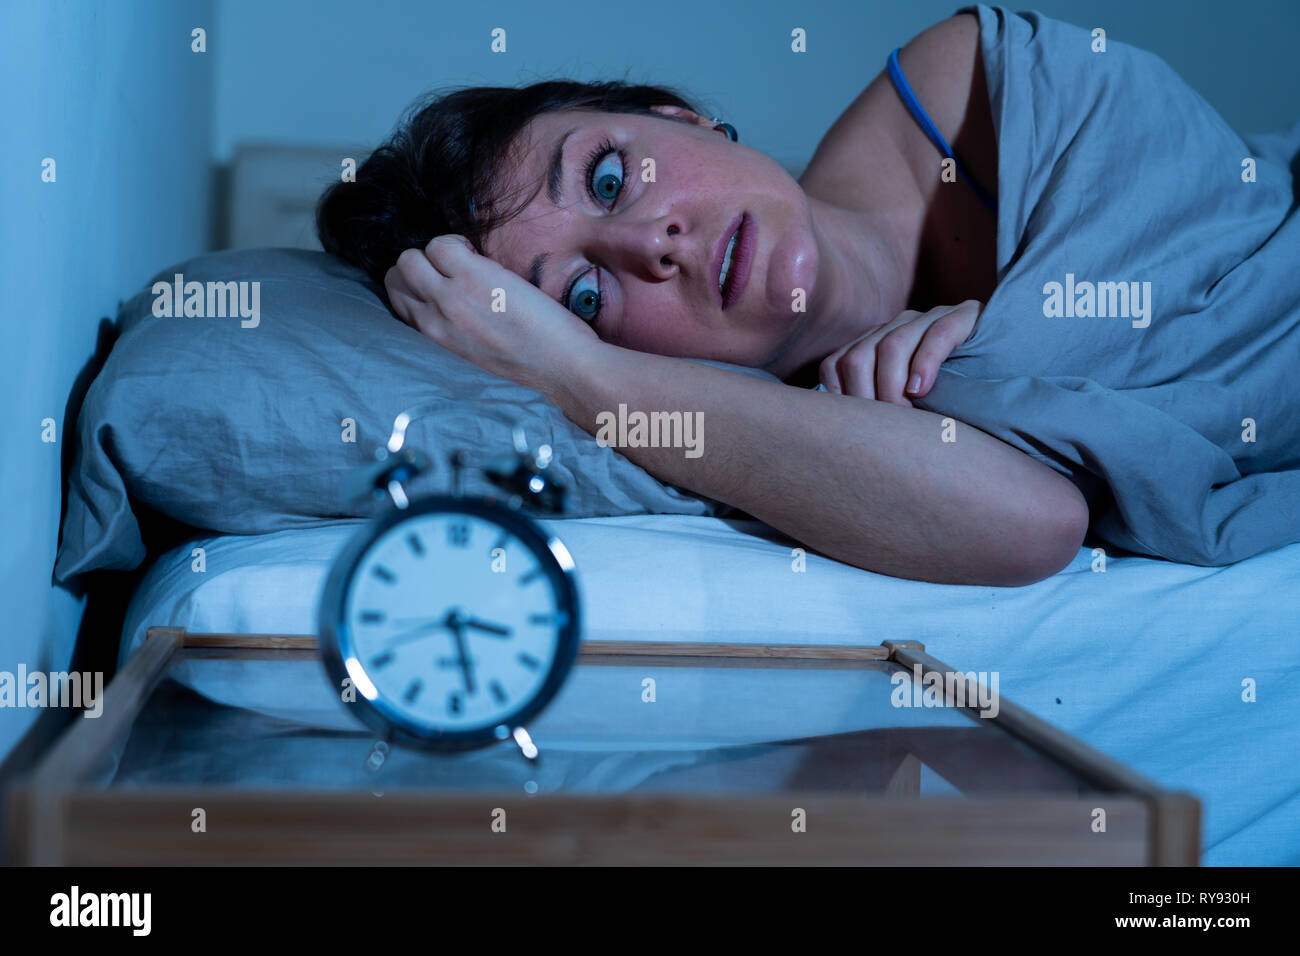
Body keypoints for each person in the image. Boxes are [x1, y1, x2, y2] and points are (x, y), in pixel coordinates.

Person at [317, 7, 1298, 585]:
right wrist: (579, 374)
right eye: (579, 294)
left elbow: (1204, 234)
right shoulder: (809, 434)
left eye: (610, 177)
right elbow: (1032, 522)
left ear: (681, 117)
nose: (648, 244)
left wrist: (1001, 348)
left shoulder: (961, 86)